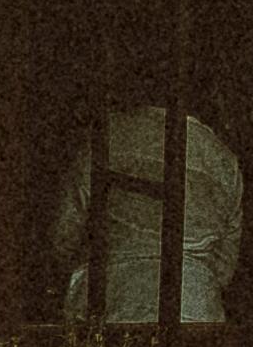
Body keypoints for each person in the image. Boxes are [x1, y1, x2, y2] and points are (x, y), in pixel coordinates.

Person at [53, 104, 240, 327]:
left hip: (110, 306)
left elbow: (64, 237)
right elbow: (225, 265)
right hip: (195, 311)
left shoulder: (106, 138)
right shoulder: (223, 160)